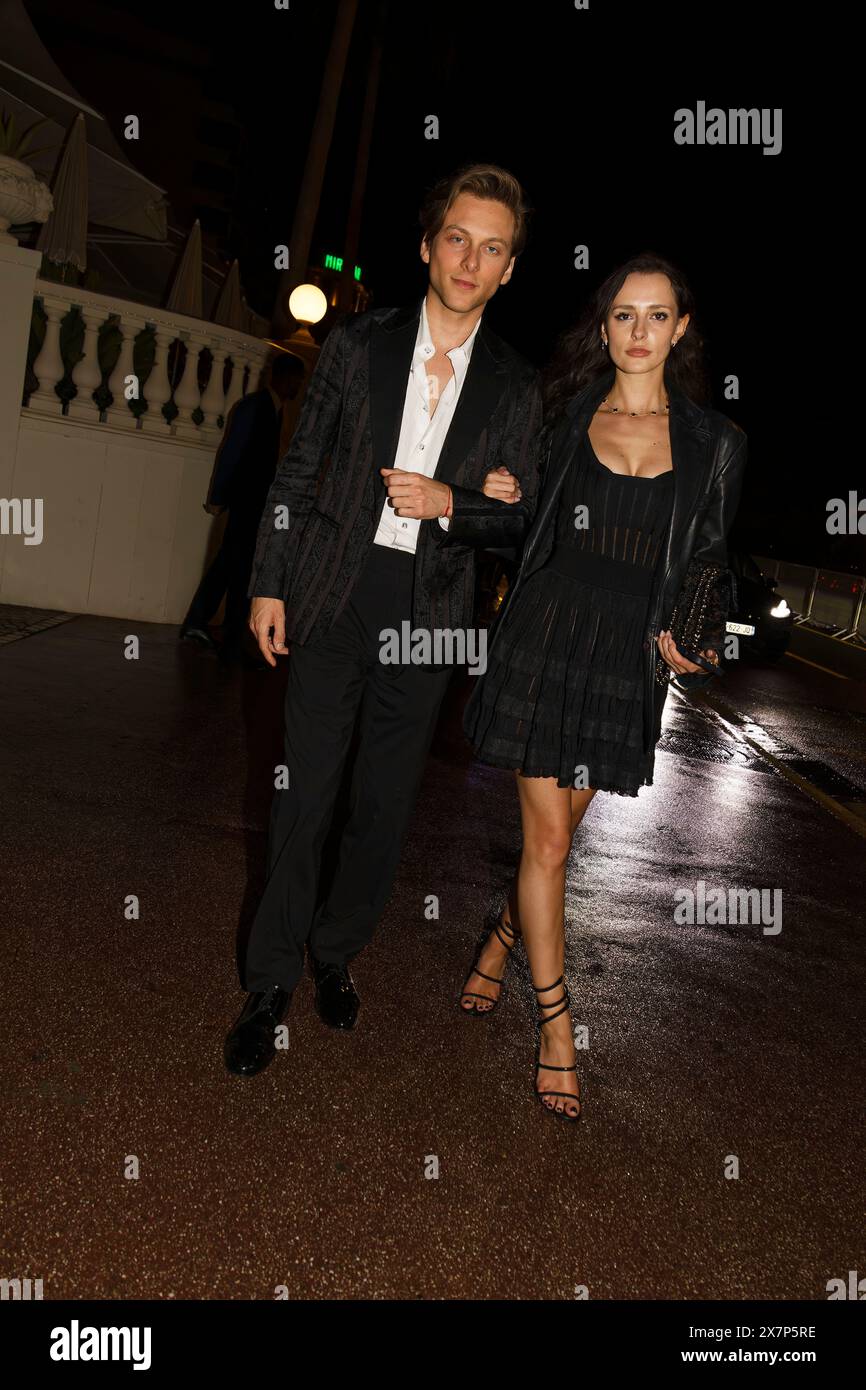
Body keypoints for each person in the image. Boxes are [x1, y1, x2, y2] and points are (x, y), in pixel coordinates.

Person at [224, 163, 544, 1078]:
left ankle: (336, 953)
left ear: (509, 268)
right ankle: (269, 979)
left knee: (381, 806)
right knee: (303, 792)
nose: (470, 260)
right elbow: (297, 471)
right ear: (427, 246)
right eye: (458, 239)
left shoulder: (518, 390)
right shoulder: (360, 345)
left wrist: (455, 502)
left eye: (492, 248)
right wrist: (268, 582)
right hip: (332, 592)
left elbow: (520, 522)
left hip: (432, 616)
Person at [459, 252, 748, 1123]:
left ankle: (504, 936)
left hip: (627, 656)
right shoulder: (558, 412)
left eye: (656, 316)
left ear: (681, 328)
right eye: (623, 314)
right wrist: (494, 492)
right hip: (546, 636)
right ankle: (556, 1026)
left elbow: (707, 558)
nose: (638, 331)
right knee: (546, 844)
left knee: (559, 840)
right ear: (605, 323)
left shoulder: (717, 444)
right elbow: (514, 519)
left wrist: (697, 635)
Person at [180, 352, 305, 664]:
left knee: (229, 564)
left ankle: (204, 625)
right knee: (238, 568)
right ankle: (229, 637)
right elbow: (232, 454)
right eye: (296, 380)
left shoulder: (274, 410)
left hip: (254, 504)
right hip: (247, 503)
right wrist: (219, 496)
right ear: (284, 378)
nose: (298, 386)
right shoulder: (256, 407)